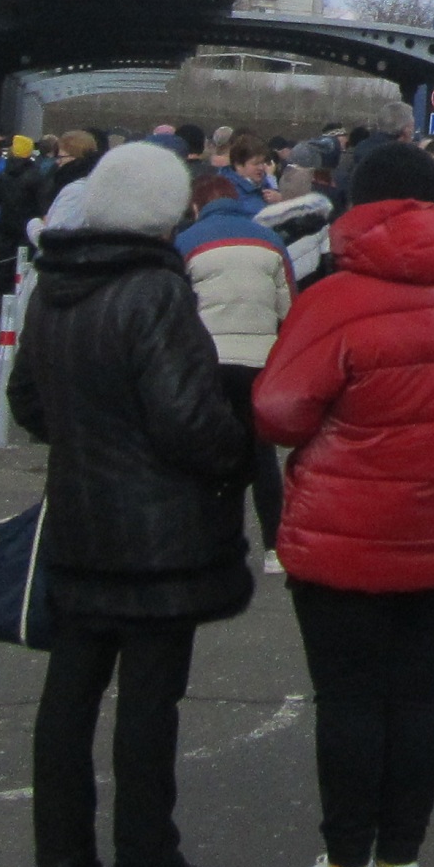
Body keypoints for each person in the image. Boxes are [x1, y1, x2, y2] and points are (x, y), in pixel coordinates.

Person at [257, 141, 434, 867]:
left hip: (344, 529)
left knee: (347, 700)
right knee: (415, 699)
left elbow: (278, 410)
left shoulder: (335, 299)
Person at [11, 142, 256, 867]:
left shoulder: (55, 284)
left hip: (80, 513)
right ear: (169, 212)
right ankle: (146, 857)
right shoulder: (155, 290)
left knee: (70, 691)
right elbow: (186, 421)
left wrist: (91, 435)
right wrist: (237, 453)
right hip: (161, 531)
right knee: (150, 700)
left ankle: (61, 855)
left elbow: (27, 402)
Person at [177, 176, 296, 574]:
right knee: (262, 455)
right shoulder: (270, 240)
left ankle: (206, 542)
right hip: (259, 360)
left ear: (198, 206)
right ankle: (275, 548)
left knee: (206, 452)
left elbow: (174, 309)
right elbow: (290, 308)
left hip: (208, 361)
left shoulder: (187, 241)